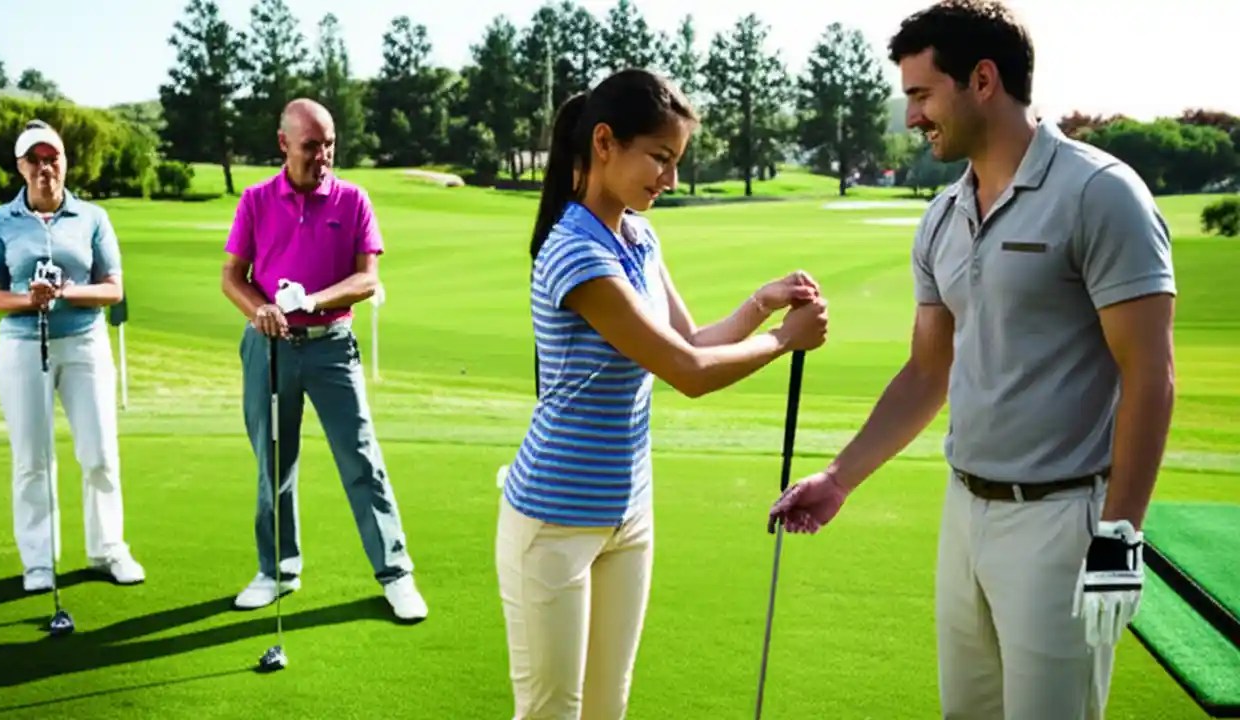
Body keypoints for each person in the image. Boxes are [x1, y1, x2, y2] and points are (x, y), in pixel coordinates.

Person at [768, 2, 1176, 719]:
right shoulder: (942, 216)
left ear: (982, 80)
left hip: (1063, 522)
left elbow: (1150, 374)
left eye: (922, 95)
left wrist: (1120, 536)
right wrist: (839, 477)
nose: (911, 118)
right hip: (964, 515)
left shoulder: (1100, 195)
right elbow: (928, 372)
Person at [497, 68, 830, 720]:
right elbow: (688, 372)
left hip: (628, 512)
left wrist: (762, 304)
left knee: (606, 710)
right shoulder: (574, 252)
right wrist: (784, 342)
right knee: (549, 713)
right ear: (603, 143)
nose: (670, 180)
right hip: (553, 520)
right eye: (660, 158)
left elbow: (695, 339)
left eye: (675, 162)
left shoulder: (640, 237)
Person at [220, 98, 427, 621]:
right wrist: (260, 309)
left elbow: (367, 279)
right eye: (312, 145)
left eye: (330, 143)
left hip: (331, 346)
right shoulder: (255, 200)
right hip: (270, 348)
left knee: (361, 461)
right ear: (283, 143)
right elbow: (232, 276)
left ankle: (395, 573)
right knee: (274, 465)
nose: (323, 155)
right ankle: (276, 570)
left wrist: (313, 301)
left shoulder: (353, 201)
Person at [0, 119, 145, 592]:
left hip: (85, 342)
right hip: (23, 347)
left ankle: (107, 549)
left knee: (100, 453)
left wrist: (67, 292)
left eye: (53, 158)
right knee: (32, 458)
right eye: (35, 160)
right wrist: (30, 299)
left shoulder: (92, 218)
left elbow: (113, 289)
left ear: (65, 162)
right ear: (20, 167)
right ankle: (38, 561)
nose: (46, 168)